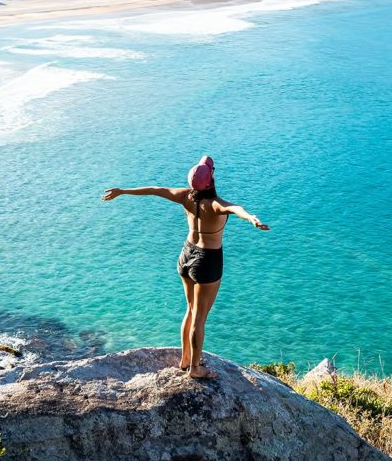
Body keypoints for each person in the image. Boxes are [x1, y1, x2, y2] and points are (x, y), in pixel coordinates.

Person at [101, 155, 269, 378]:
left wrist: (122, 191)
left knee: (190, 310)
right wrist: (252, 219)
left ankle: (185, 359)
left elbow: (155, 189)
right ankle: (196, 369)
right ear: (210, 181)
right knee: (199, 317)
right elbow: (237, 208)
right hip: (207, 260)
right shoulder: (216, 204)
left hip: (186, 255)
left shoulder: (184, 197)